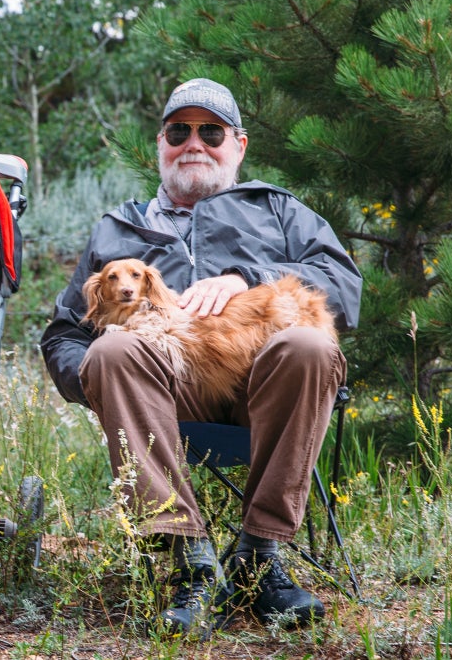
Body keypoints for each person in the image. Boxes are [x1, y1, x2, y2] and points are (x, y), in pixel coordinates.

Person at [40, 78, 361, 637]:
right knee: (112, 348)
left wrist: (247, 278)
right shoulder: (118, 229)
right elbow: (65, 335)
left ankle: (260, 557)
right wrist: (95, 378)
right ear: (161, 143)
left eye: (210, 131)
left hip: (265, 383)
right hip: (160, 395)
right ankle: (190, 562)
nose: (194, 142)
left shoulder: (279, 211)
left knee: (308, 343)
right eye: (179, 130)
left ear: (238, 144)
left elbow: (343, 288)